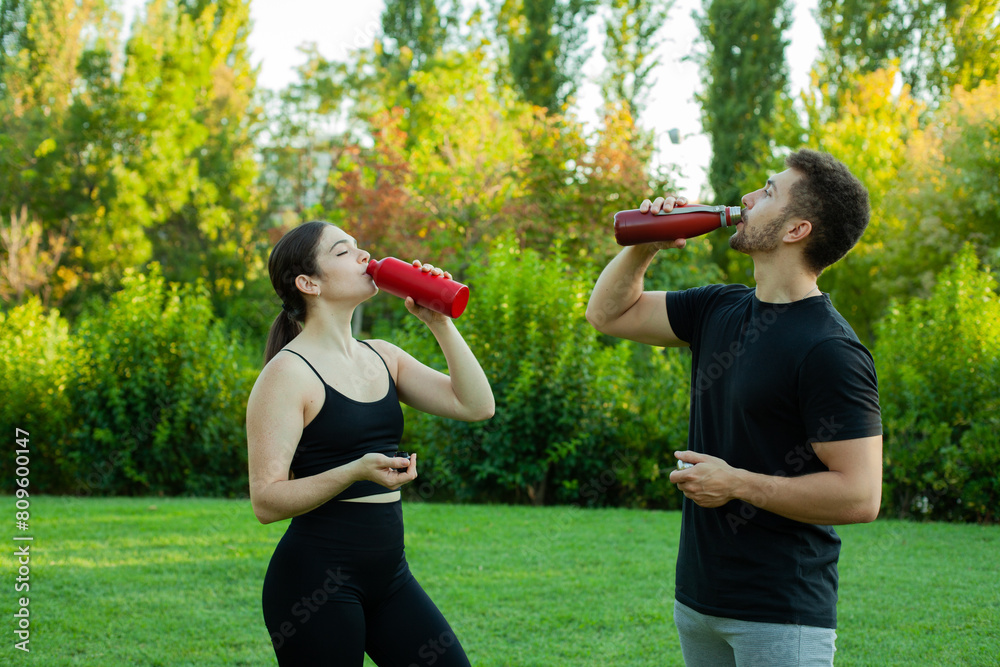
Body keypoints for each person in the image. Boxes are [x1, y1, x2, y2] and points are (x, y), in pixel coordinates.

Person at [585, 149, 882, 666]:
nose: (746, 198)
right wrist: (645, 247)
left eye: (768, 192)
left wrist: (738, 483)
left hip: (779, 610)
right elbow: (609, 314)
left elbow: (860, 495)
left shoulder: (829, 349)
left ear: (796, 230)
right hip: (698, 600)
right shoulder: (718, 307)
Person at [246, 220, 494, 666]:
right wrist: (355, 470)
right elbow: (266, 501)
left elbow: (476, 404)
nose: (364, 257)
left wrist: (438, 322)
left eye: (360, 247)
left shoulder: (384, 356)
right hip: (314, 581)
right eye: (343, 252)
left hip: (390, 576)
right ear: (308, 283)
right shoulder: (287, 375)